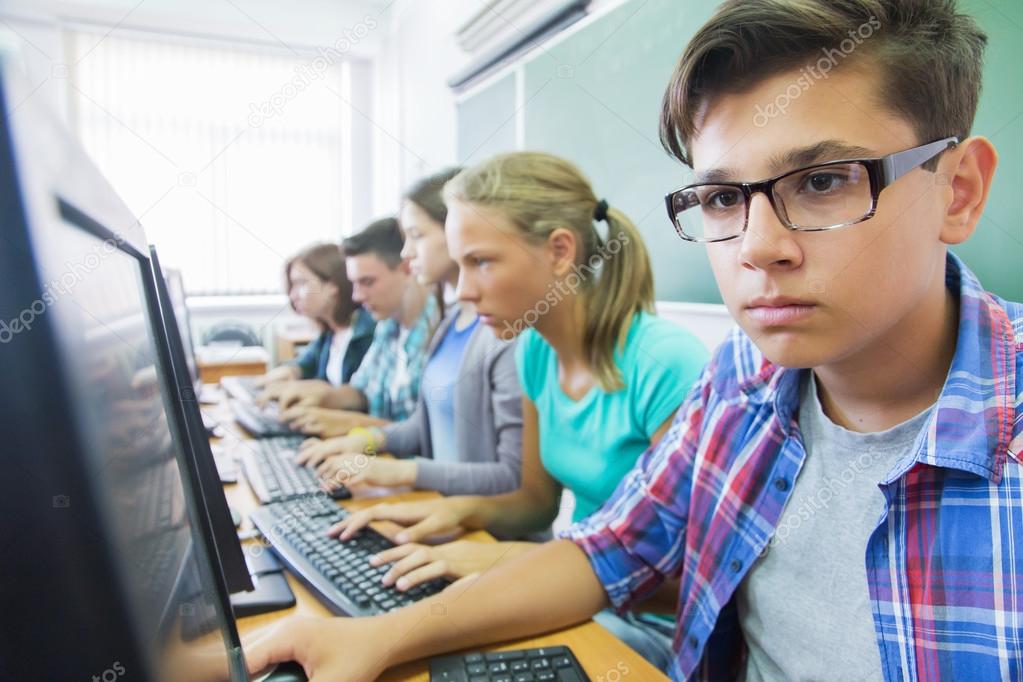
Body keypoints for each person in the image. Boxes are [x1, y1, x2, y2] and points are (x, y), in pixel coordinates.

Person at [245, 1, 1022, 680]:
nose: (756, 248)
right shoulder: (740, 381)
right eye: (721, 197)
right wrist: (375, 634)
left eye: (822, 181)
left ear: (956, 192)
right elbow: (607, 549)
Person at [314, 152, 708, 670]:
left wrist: (522, 561)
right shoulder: (536, 350)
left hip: (658, 629)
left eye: (481, 262)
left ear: (561, 251)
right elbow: (534, 503)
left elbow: (698, 584)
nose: (466, 291)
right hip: (578, 588)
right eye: (460, 266)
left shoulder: (666, 365)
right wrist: (454, 511)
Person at [296, 168, 526, 497]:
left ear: (456, 229)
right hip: (443, 514)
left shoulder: (504, 332)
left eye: (416, 236)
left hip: (484, 535)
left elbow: (513, 479)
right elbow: (425, 423)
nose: (406, 253)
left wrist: (399, 470)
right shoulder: (449, 323)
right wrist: (364, 442)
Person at [260, 217, 440, 430]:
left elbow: (421, 435)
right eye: (354, 283)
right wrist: (321, 396)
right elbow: (361, 391)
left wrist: (350, 423)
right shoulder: (388, 326)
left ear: (407, 269)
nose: (357, 296)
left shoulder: (436, 330)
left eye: (367, 282)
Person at [256, 243, 374, 388]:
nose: (293, 295)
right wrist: (286, 373)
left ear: (332, 285)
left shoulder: (368, 330)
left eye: (301, 283)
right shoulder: (330, 333)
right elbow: (304, 364)